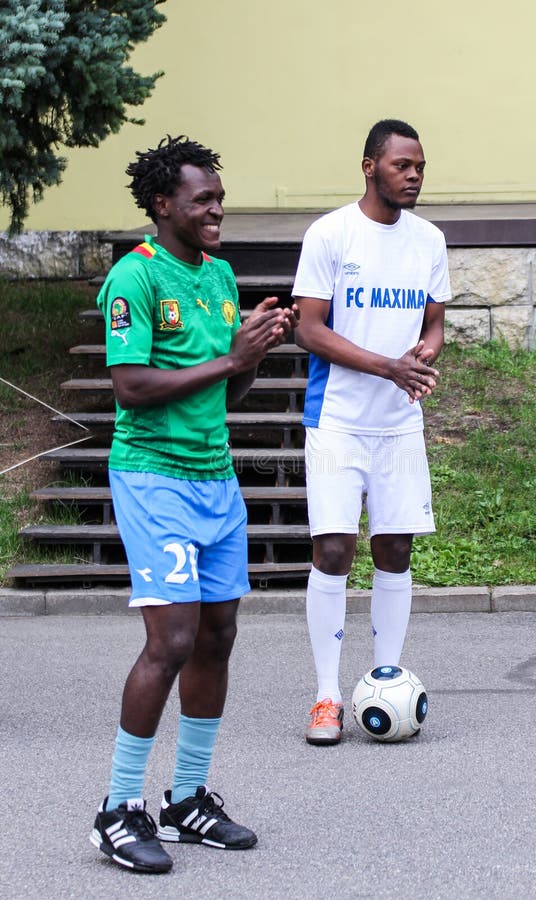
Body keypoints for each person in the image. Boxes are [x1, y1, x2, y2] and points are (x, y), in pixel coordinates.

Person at [89, 135, 298, 873]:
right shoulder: (133, 280)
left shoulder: (219, 278)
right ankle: (117, 809)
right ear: (163, 205)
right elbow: (133, 387)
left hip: (216, 479)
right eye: (202, 199)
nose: (217, 209)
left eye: (218, 196)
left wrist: (251, 355)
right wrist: (232, 357)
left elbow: (225, 390)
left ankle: (186, 799)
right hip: (153, 477)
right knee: (171, 640)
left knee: (217, 637)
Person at [292, 119, 451, 745]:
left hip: (399, 425)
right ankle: (327, 697)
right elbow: (309, 328)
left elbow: (436, 322)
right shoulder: (330, 233)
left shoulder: (430, 240)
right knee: (334, 551)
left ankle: (385, 677)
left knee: (396, 549)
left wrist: (424, 354)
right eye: (401, 165)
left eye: (419, 166)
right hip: (336, 422)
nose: (413, 175)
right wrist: (388, 365)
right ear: (369, 166)